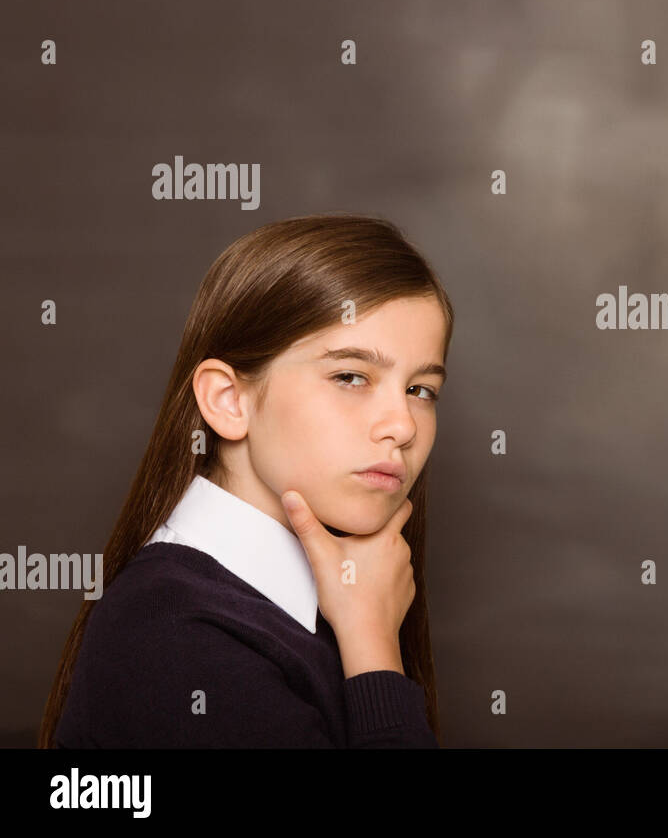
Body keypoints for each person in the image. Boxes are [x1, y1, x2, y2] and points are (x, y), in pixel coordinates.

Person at [39, 213, 453, 747]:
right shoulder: (178, 641)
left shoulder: (334, 595)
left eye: (421, 390)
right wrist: (374, 650)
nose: (402, 425)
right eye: (350, 376)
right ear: (228, 400)